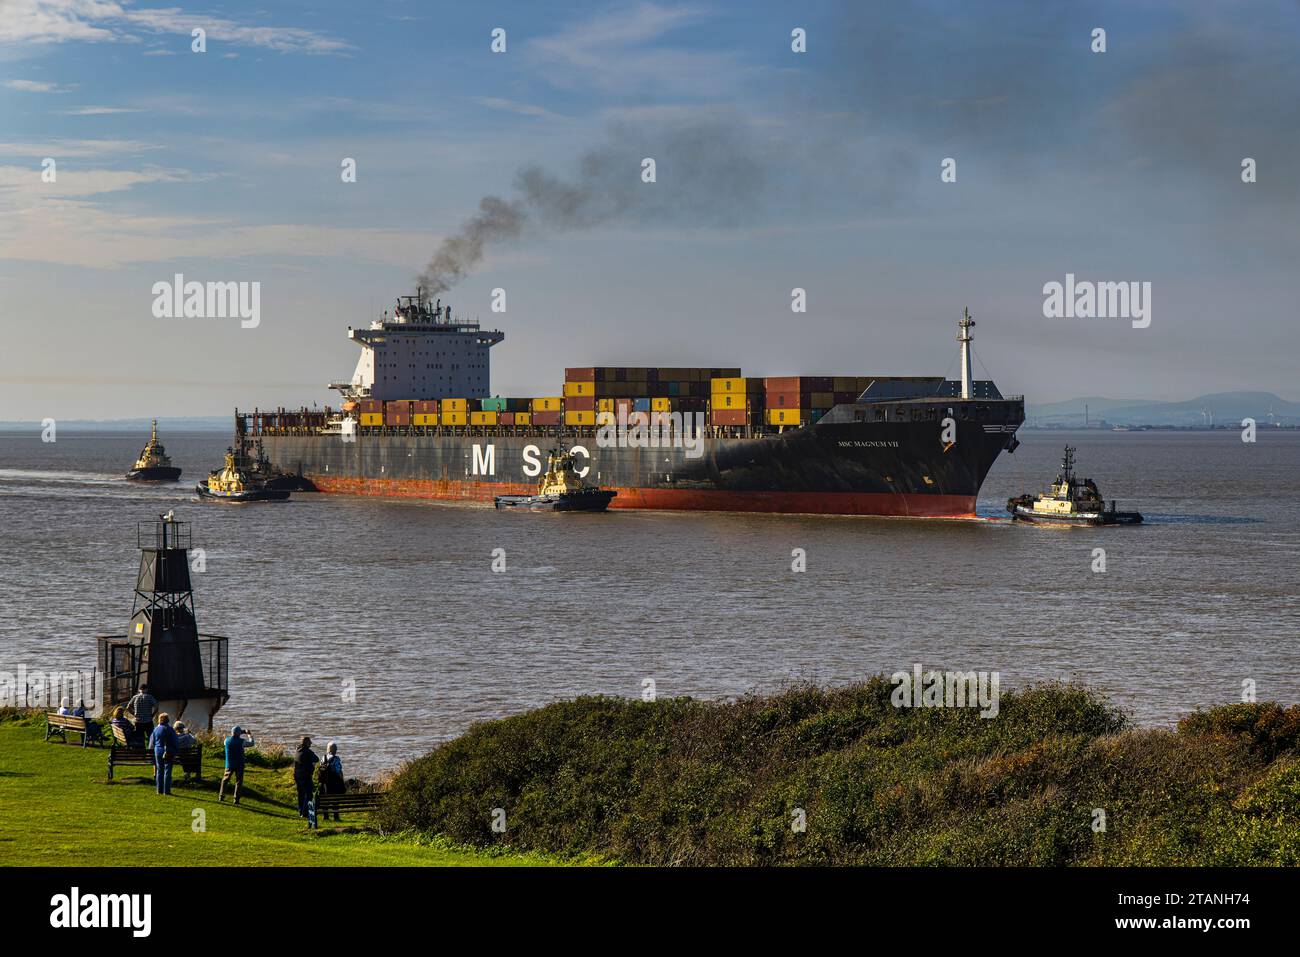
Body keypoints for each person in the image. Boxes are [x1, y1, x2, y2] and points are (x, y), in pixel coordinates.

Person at [220, 725, 254, 804]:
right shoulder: (242, 741)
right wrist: (249, 735)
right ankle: (236, 799)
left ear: (232, 733)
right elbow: (252, 743)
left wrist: (240, 732)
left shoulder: (226, 741)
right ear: (239, 733)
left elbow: (233, 736)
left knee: (225, 780)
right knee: (238, 782)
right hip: (239, 764)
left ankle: (221, 796)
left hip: (229, 764)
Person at [148, 713, 179, 796]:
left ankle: (159, 790)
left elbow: (151, 743)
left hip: (158, 751)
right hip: (168, 751)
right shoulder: (170, 730)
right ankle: (166, 790)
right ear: (168, 720)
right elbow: (175, 742)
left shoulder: (156, 729)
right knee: (167, 771)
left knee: (159, 771)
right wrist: (175, 751)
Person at [317, 741, 345, 822]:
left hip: (324, 783)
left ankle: (326, 817)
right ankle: (336, 817)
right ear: (335, 750)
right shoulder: (336, 759)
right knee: (335, 801)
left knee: (326, 800)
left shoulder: (323, 758)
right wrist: (342, 780)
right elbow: (338, 771)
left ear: (328, 749)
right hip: (334, 783)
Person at [293, 736, 319, 818]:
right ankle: (305, 813)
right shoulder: (307, 752)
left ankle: (301, 811)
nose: (311, 743)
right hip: (305, 776)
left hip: (297, 775)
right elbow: (317, 759)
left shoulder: (297, 750)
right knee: (308, 794)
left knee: (300, 794)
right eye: (310, 742)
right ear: (306, 743)